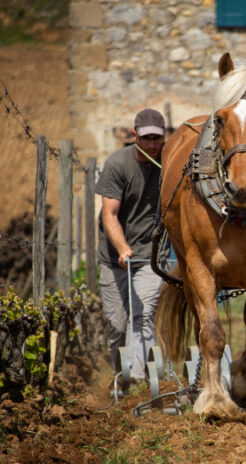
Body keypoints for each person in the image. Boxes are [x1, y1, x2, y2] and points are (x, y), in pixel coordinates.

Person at [96, 108, 165, 385]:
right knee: (117, 325)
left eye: (156, 139)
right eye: (146, 138)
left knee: (143, 315)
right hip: (115, 257)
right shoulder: (118, 164)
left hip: (149, 256)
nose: (152, 145)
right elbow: (109, 214)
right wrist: (123, 248)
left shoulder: (169, 164)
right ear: (135, 135)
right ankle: (120, 377)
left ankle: (136, 379)